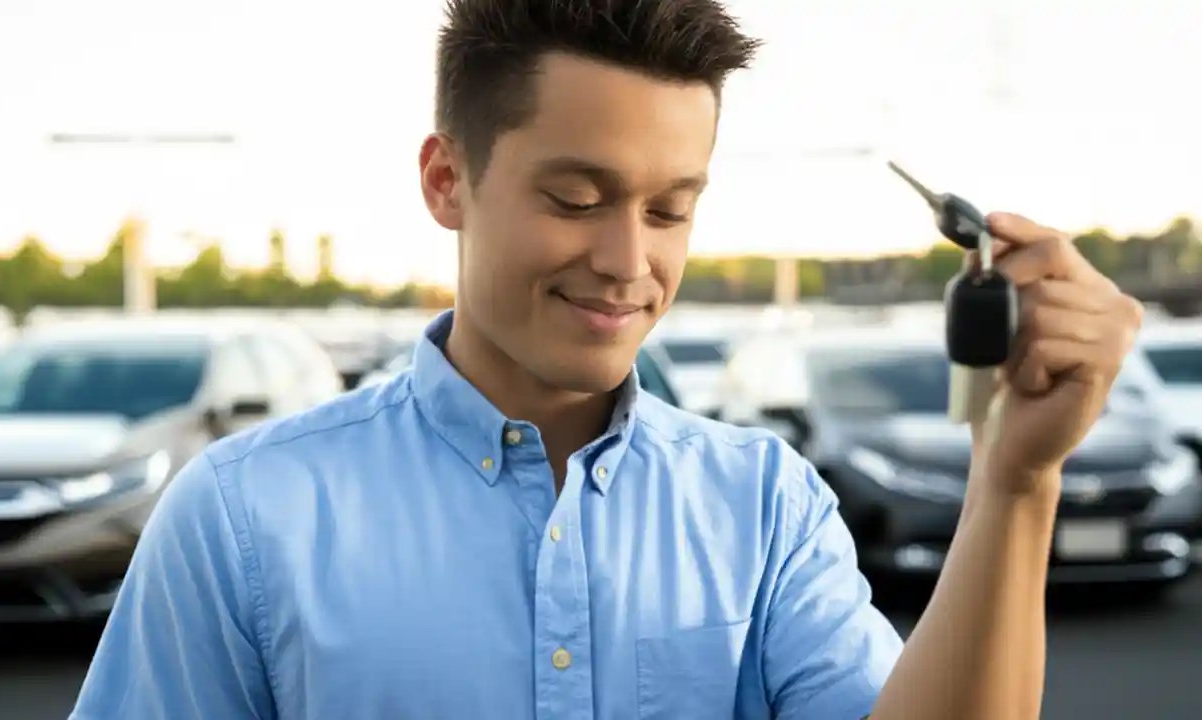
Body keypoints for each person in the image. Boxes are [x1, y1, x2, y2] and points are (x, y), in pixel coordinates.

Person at [70, 1, 1144, 718]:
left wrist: (1015, 478)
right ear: (447, 180)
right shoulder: (246, 516)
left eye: (671, 209)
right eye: (574, 199)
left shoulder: (761, 502)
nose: (628, 263)